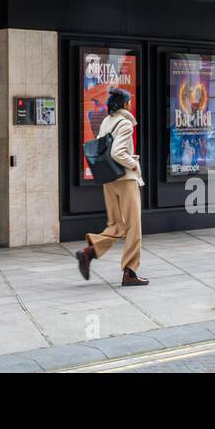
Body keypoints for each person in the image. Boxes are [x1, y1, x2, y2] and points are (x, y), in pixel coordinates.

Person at [76, 88, 148, 286]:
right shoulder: (125, 123)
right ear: (125, 104)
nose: (131, 104)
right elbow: (117, 153)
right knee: (134, 227)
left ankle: (89, 253)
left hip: (109, 179)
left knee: (117, 224)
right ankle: (130, 273)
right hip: (125, 180)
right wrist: (133, 163)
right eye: (129, 101)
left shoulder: (107, 121)